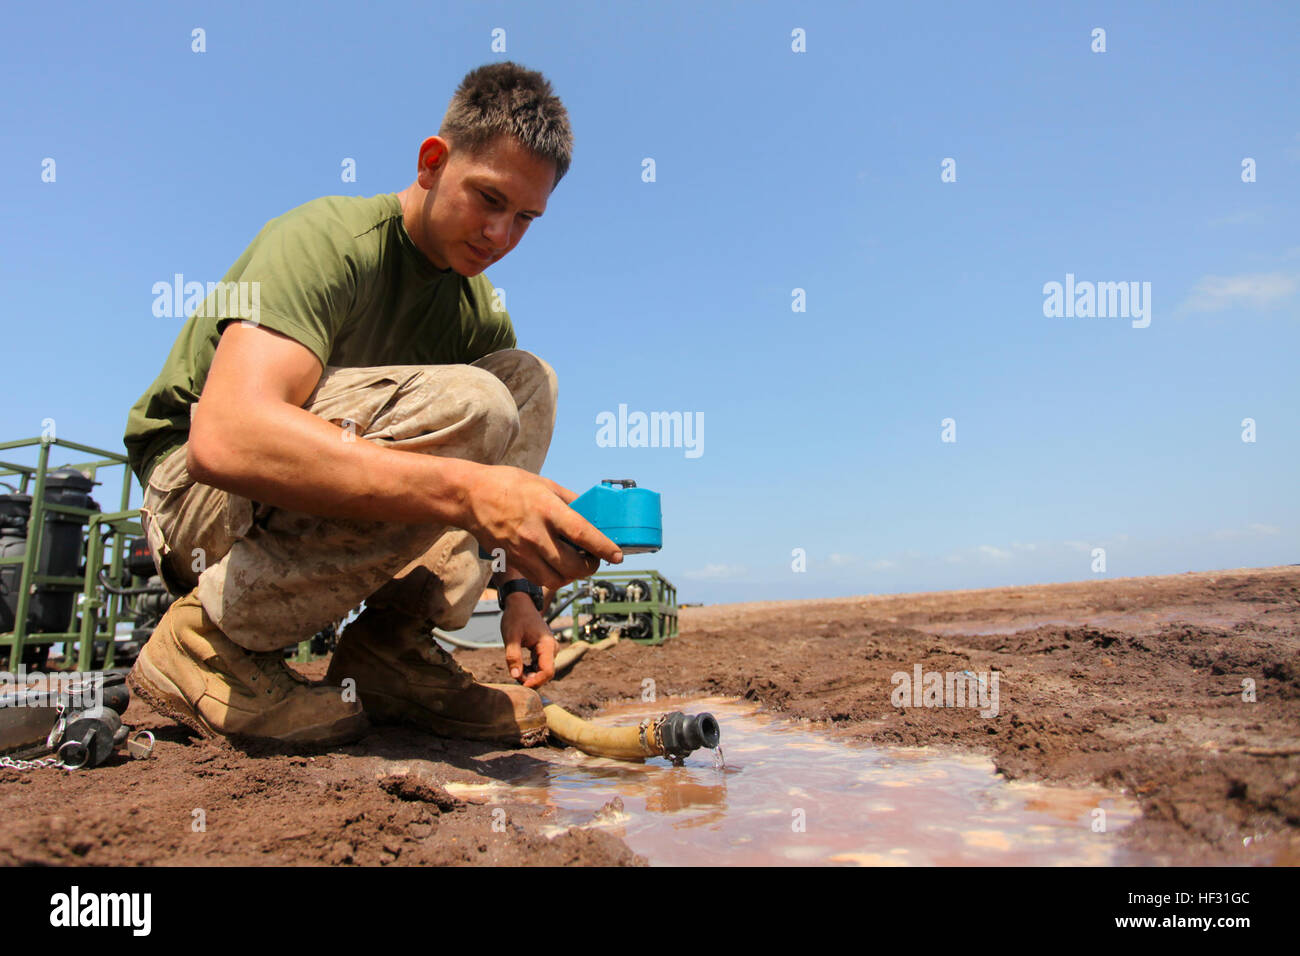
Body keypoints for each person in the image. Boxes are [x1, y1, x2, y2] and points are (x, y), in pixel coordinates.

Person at [121, 61, 621, 748]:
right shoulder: (327, 240)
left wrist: (520, 596)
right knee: (482, 404)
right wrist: (467, 489)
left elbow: (498, 463)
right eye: (489, 199)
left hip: (306, 505)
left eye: (526, 219)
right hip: (192, 502)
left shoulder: (477, 312)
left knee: (529, 382)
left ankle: (392, 652)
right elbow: (225, 439)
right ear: (432, 161)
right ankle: (207, 642)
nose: (501, 236)